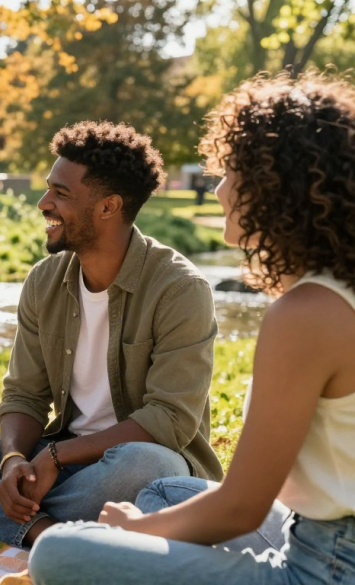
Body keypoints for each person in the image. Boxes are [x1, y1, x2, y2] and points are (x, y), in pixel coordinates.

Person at [29, 73, 355, 585]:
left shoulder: (306, 314)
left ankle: (54, 531)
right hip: (308, 528)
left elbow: (241, 509)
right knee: (164, 488)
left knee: (57, 554)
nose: (219, 188)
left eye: (231, 173)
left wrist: (136, 532)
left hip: (322, 569)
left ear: (276, 187)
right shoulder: (334, 296)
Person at [0, 121, 222, 550]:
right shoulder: (44, 280)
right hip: (58, 461)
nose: (43, 203)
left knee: (146, 464)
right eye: (49, 188)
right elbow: (24, 396)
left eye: (61, 194)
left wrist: (55, 458)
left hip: (133, 466)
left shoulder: (180, 289)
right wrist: (15, 458)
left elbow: (169, 421)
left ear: (108, 207)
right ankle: (41, 530)